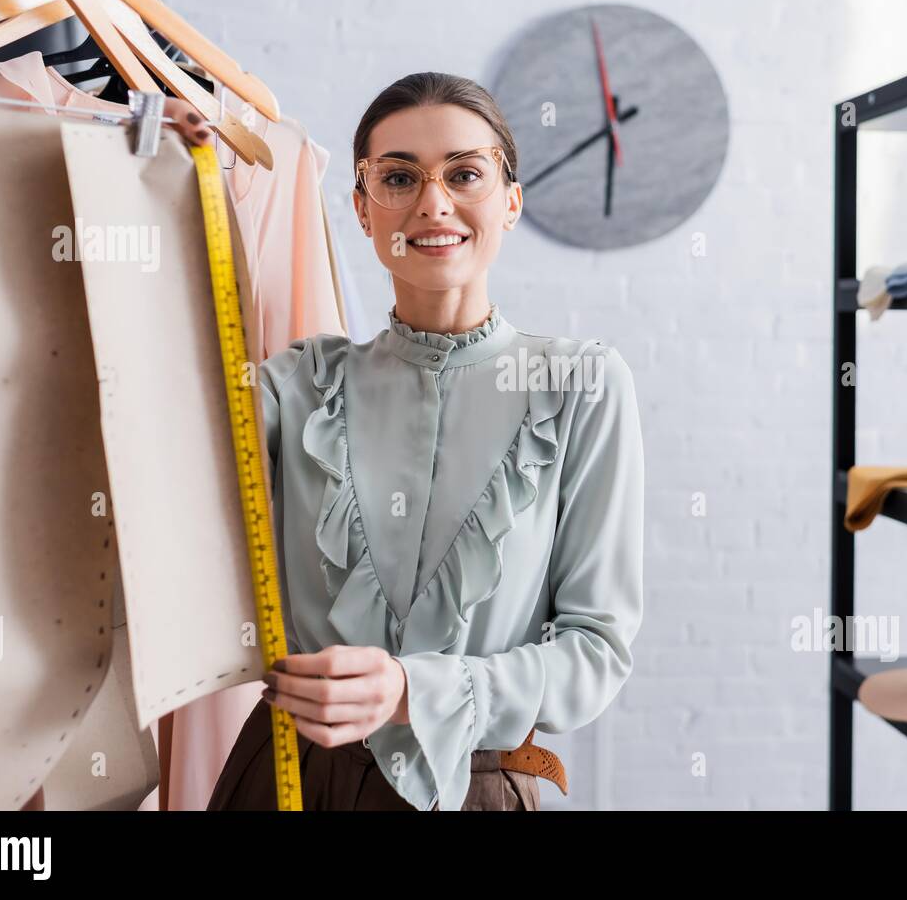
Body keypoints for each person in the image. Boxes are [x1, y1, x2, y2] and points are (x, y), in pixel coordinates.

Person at [183, 74, 645, 811]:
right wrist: (160, 186)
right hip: (289, 783)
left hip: (483, 787)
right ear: (363, 209)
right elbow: (151, 452)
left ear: (511, 200)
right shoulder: (292, 387)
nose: (433, 203)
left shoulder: (583, 385)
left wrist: (412, 689)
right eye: (398, 177)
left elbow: (596, 653)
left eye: (465, 174)